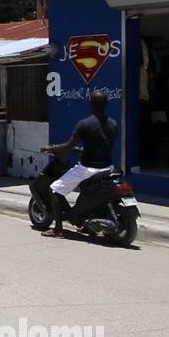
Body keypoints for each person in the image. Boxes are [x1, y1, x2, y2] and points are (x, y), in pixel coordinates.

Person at [40, 90, 118, 237]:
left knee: (55, 189)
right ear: (106, 104)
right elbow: (103, 143)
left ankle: (58, 229)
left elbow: (68, 147)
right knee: (85, 191)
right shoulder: (113, 124)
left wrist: (51, 148)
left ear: (91, 104)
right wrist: (83, 150)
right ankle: (88, 224)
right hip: (107, 168)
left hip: (88, 168)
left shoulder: (85, 124)